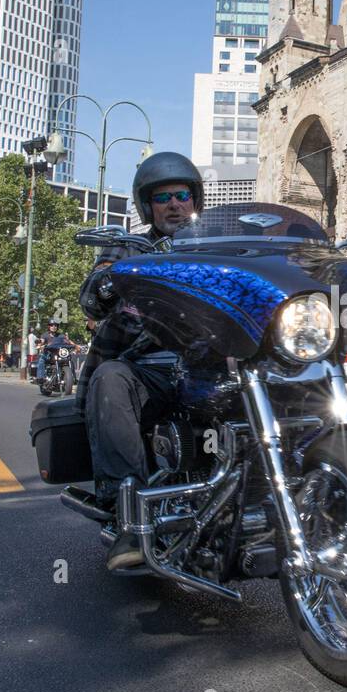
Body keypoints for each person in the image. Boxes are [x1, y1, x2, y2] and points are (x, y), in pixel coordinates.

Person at [78, 151, 204, 571]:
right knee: (111, 379)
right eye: (162, 197)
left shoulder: (217, 248)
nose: (173, 204)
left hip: (209, 367)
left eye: (181, 194)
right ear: (147, 207)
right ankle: (127, 512)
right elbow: (93, 298)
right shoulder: (131, 246)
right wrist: (112, 279)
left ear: (194, 199)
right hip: (148, 367)